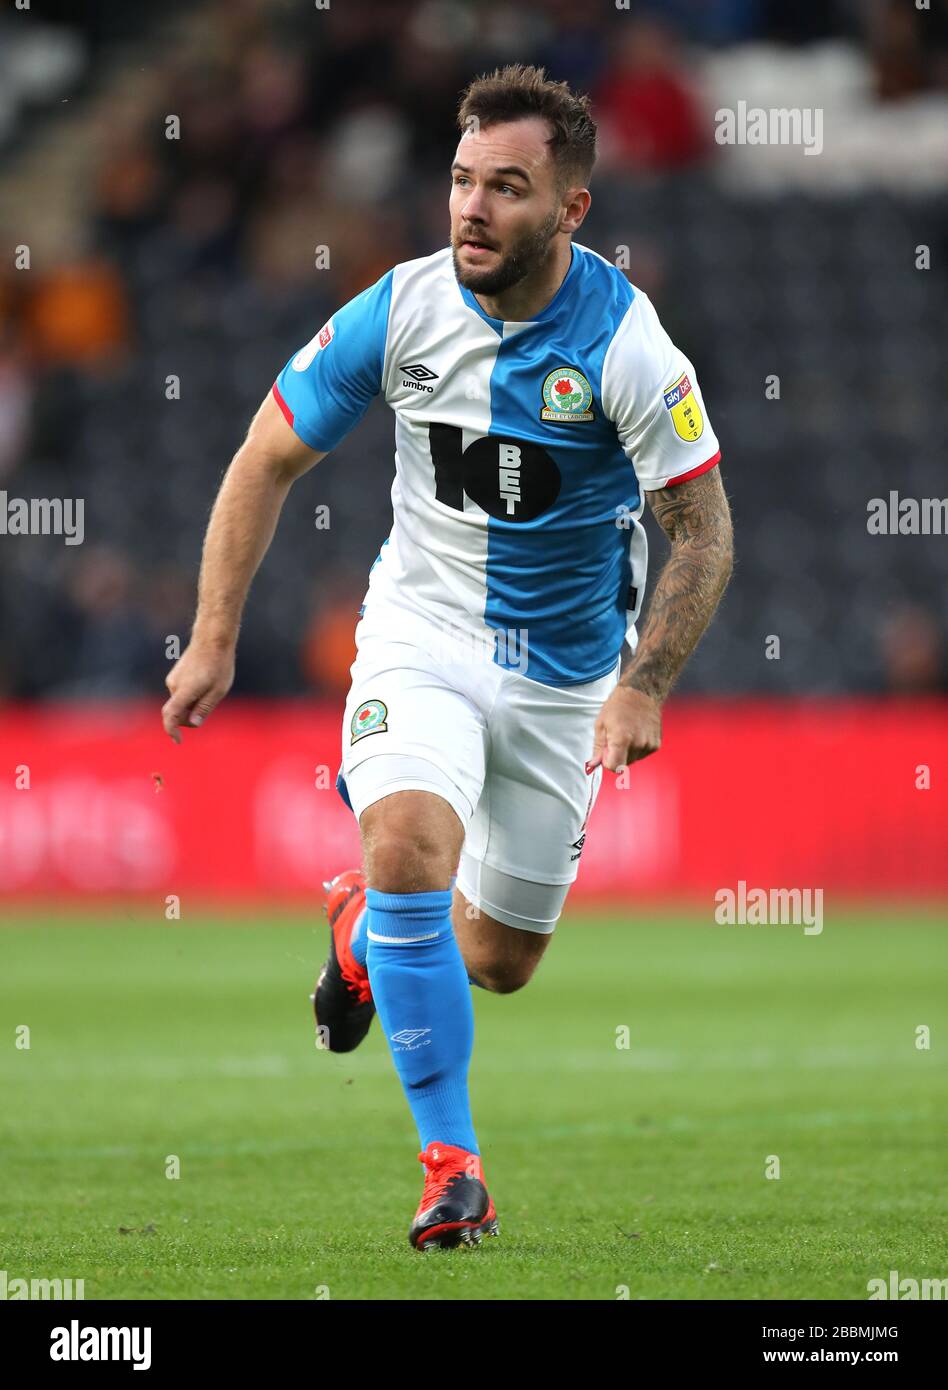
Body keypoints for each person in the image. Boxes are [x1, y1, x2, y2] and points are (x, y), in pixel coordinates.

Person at [162, 64, 734, 1251]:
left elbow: (704, 528)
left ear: (571, 210)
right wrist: (212, 634)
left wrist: (643, 684)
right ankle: (451, 1165)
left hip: (565, 674)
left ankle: (357, 932)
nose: (472, 208)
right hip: (421, 633)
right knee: (412, 844)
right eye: (463, 180)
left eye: (507, 189)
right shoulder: (401, 306)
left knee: (499, 959)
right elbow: (265, 455)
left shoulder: (629, 347)